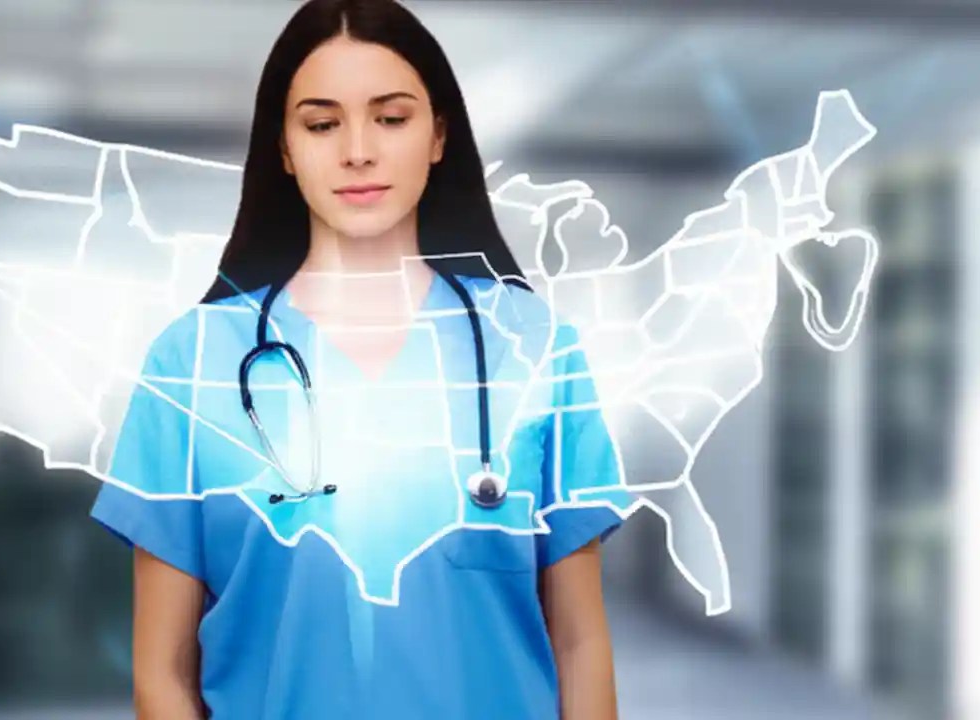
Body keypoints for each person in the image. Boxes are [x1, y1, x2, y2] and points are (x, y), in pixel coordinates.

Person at [89, 1, 628, 717]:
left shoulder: (534, 347)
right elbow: (162, 673)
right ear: (283, 149)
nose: (357, 151)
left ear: (439, 135)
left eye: (392, 118)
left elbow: (581, 646)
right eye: (320, 124)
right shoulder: (190, 361)